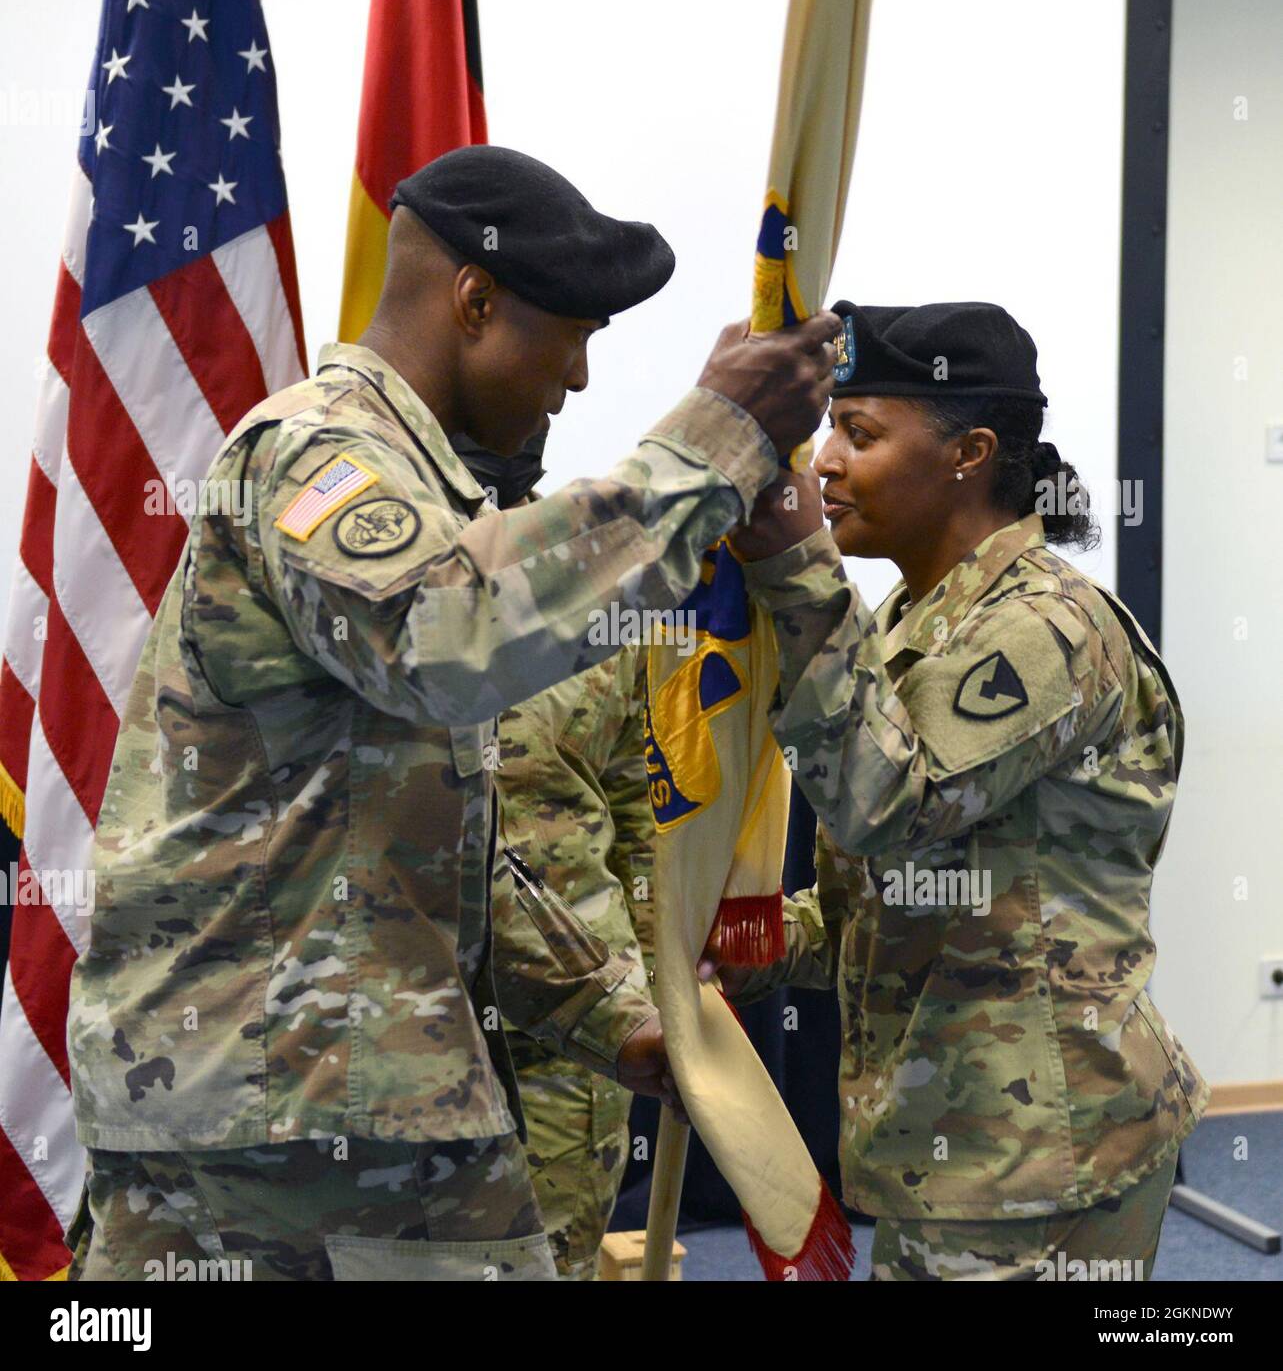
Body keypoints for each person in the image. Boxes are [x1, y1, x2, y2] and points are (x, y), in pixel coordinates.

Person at [65, 145, 838, 1281]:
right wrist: (714, 437)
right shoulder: (315, 453)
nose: (575, 378)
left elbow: (448, 848)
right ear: (474, 301)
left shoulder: (424, 492)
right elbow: (449, 633)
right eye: (569, 334)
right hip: (292, 1107)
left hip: (295, 1095)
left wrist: (614, 1012)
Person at [708, 300, 1207, 1281]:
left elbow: (886, 806)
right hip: (946, 1146)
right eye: (824, 433)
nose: (824, 464)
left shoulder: (1043, 628)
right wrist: (760, 939)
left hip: (1043, 1157)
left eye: (858, 434)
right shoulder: (914, 620)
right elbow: (889, 901)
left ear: (968, 452)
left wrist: (793, 571)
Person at [449, 425, 655, 1281]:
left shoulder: (593, 588)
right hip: (417, 1045)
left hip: (573, 1061)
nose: (566, 378)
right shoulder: (371, 591)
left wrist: (663, 986)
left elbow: (638, 808)